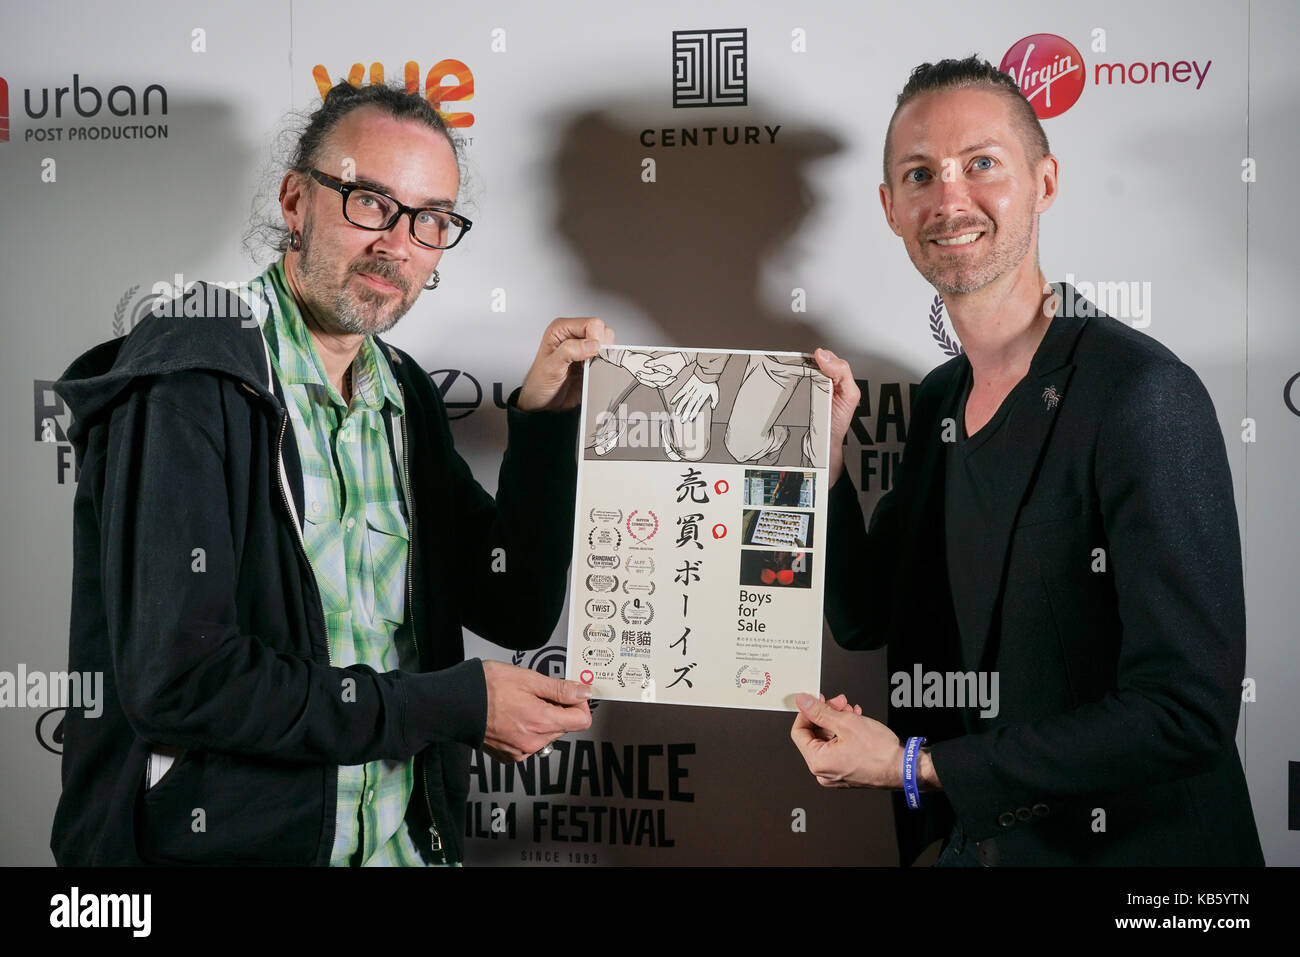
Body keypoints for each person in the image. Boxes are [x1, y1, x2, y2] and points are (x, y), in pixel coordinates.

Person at [50, 81, 614, 866]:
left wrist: (546, 420)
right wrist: (449, 704)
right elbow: (182, 680)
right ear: (295, 201)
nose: (398, 243)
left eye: (429, 219)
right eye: (369, 202)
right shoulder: (193, 375)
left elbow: (514, 602)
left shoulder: (403, 393)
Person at [790, 57, 1264, 866]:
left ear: (1044, 182)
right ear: (891, 209)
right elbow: (866, 614)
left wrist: (918, 767)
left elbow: (1185, 712)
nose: (950, 199)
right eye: (919, 174)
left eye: (982, 164)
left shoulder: (1141, 393)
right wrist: (825, 467)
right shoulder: (941, 398)